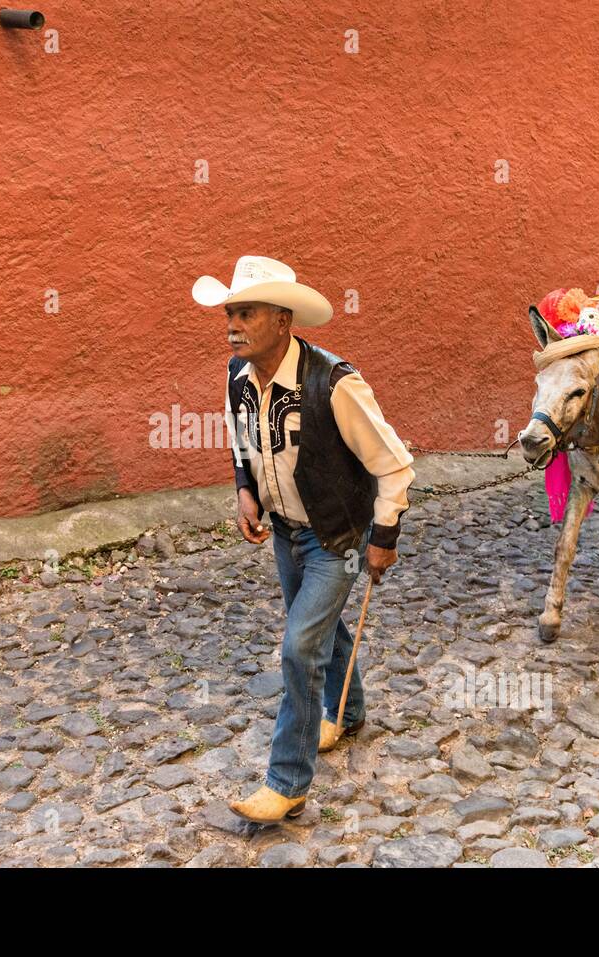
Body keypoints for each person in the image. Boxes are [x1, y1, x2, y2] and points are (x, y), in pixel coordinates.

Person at [192, 256, 416, 823]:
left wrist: (383, 536)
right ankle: (352, 710)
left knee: (299, 649)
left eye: (245, 313)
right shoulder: (237, 376)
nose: (232, 324)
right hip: (284, 532)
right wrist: (245, 489)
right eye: (230, 313)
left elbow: (393, 466)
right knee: (320, 629)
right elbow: (241, 439)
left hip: (336, 537)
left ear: (283, 319)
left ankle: (286, 783)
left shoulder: (335, 383)